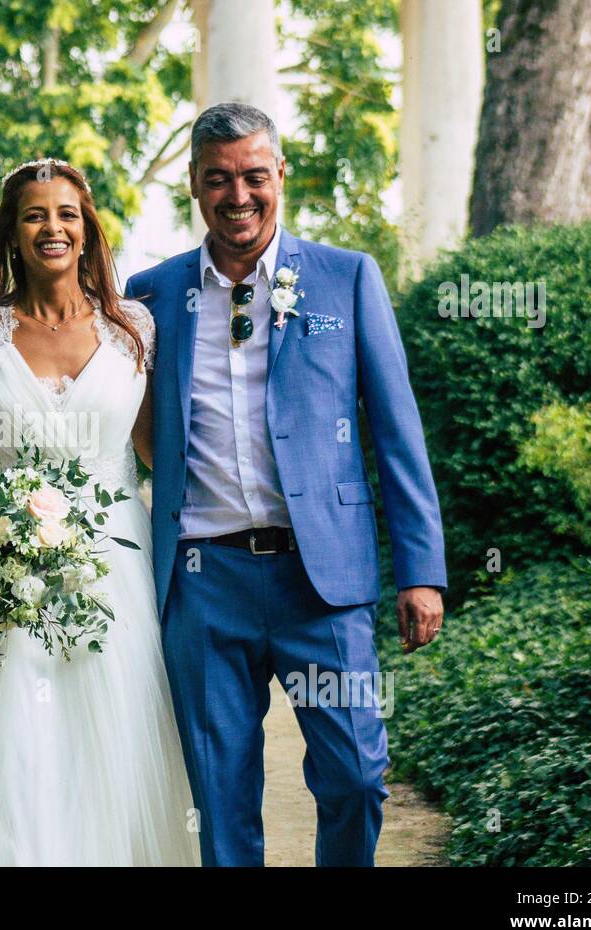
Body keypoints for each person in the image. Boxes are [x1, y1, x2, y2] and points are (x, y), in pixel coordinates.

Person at [125, 102, 448, 867]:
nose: (238, 195)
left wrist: (422, 570)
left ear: (280, 177)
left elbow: (397, 432)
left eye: (253, 176)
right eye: (218, 180)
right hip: (204, 583)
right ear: (195, 188)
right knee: (220, 793)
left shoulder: (346, 278)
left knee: (358, 777)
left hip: (322, 580)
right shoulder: (152, 294)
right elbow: (126, 427)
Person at [0, 159, 199, 866]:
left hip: (116, 568)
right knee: (16, 747)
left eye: (67, 213)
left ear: (87, 228)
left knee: (114, 741)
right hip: (4, 580)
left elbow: (157, 452)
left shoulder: (133, 326)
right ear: (12, 233)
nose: (53, 227)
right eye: (35, 214)